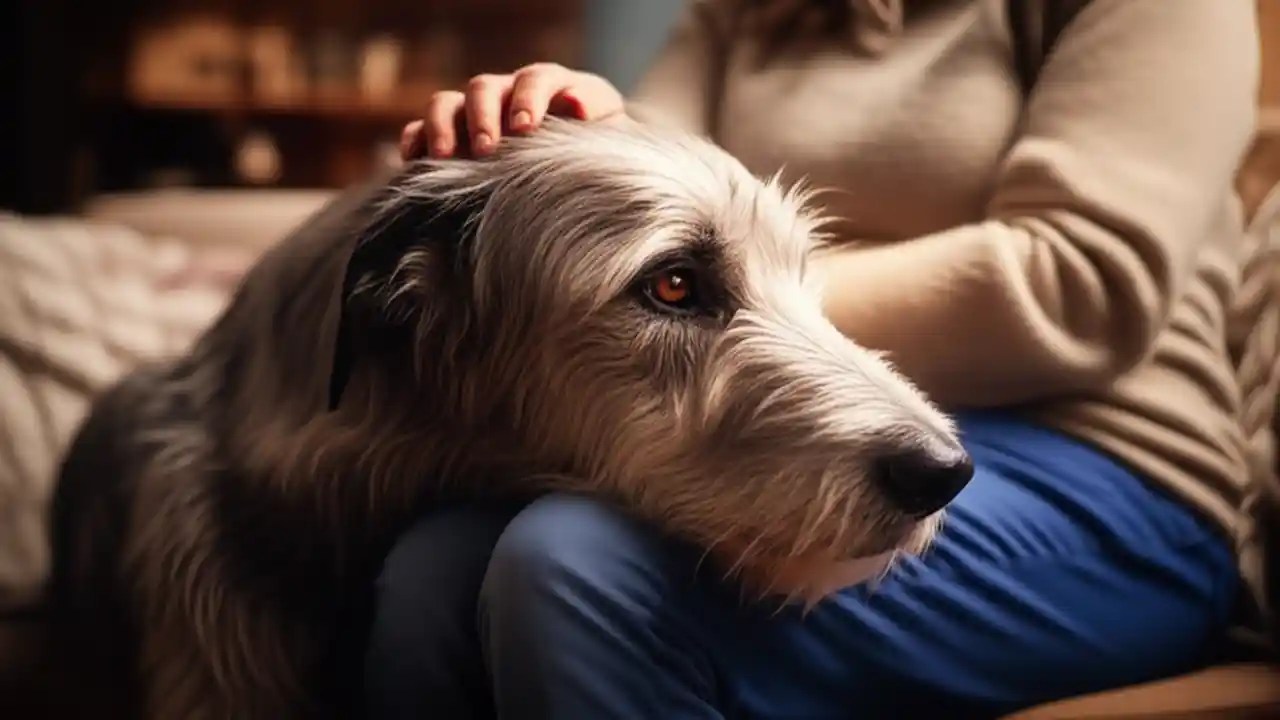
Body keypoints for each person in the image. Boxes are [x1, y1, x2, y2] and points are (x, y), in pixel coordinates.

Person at [363, 1, 1262, 717]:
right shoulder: (742, 13)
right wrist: (559, 128)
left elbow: (1085, 279)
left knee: (578, 569)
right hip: (800, 419)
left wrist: (706, 292)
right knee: (430, 567)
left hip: (1117, 482)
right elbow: (635, 194)